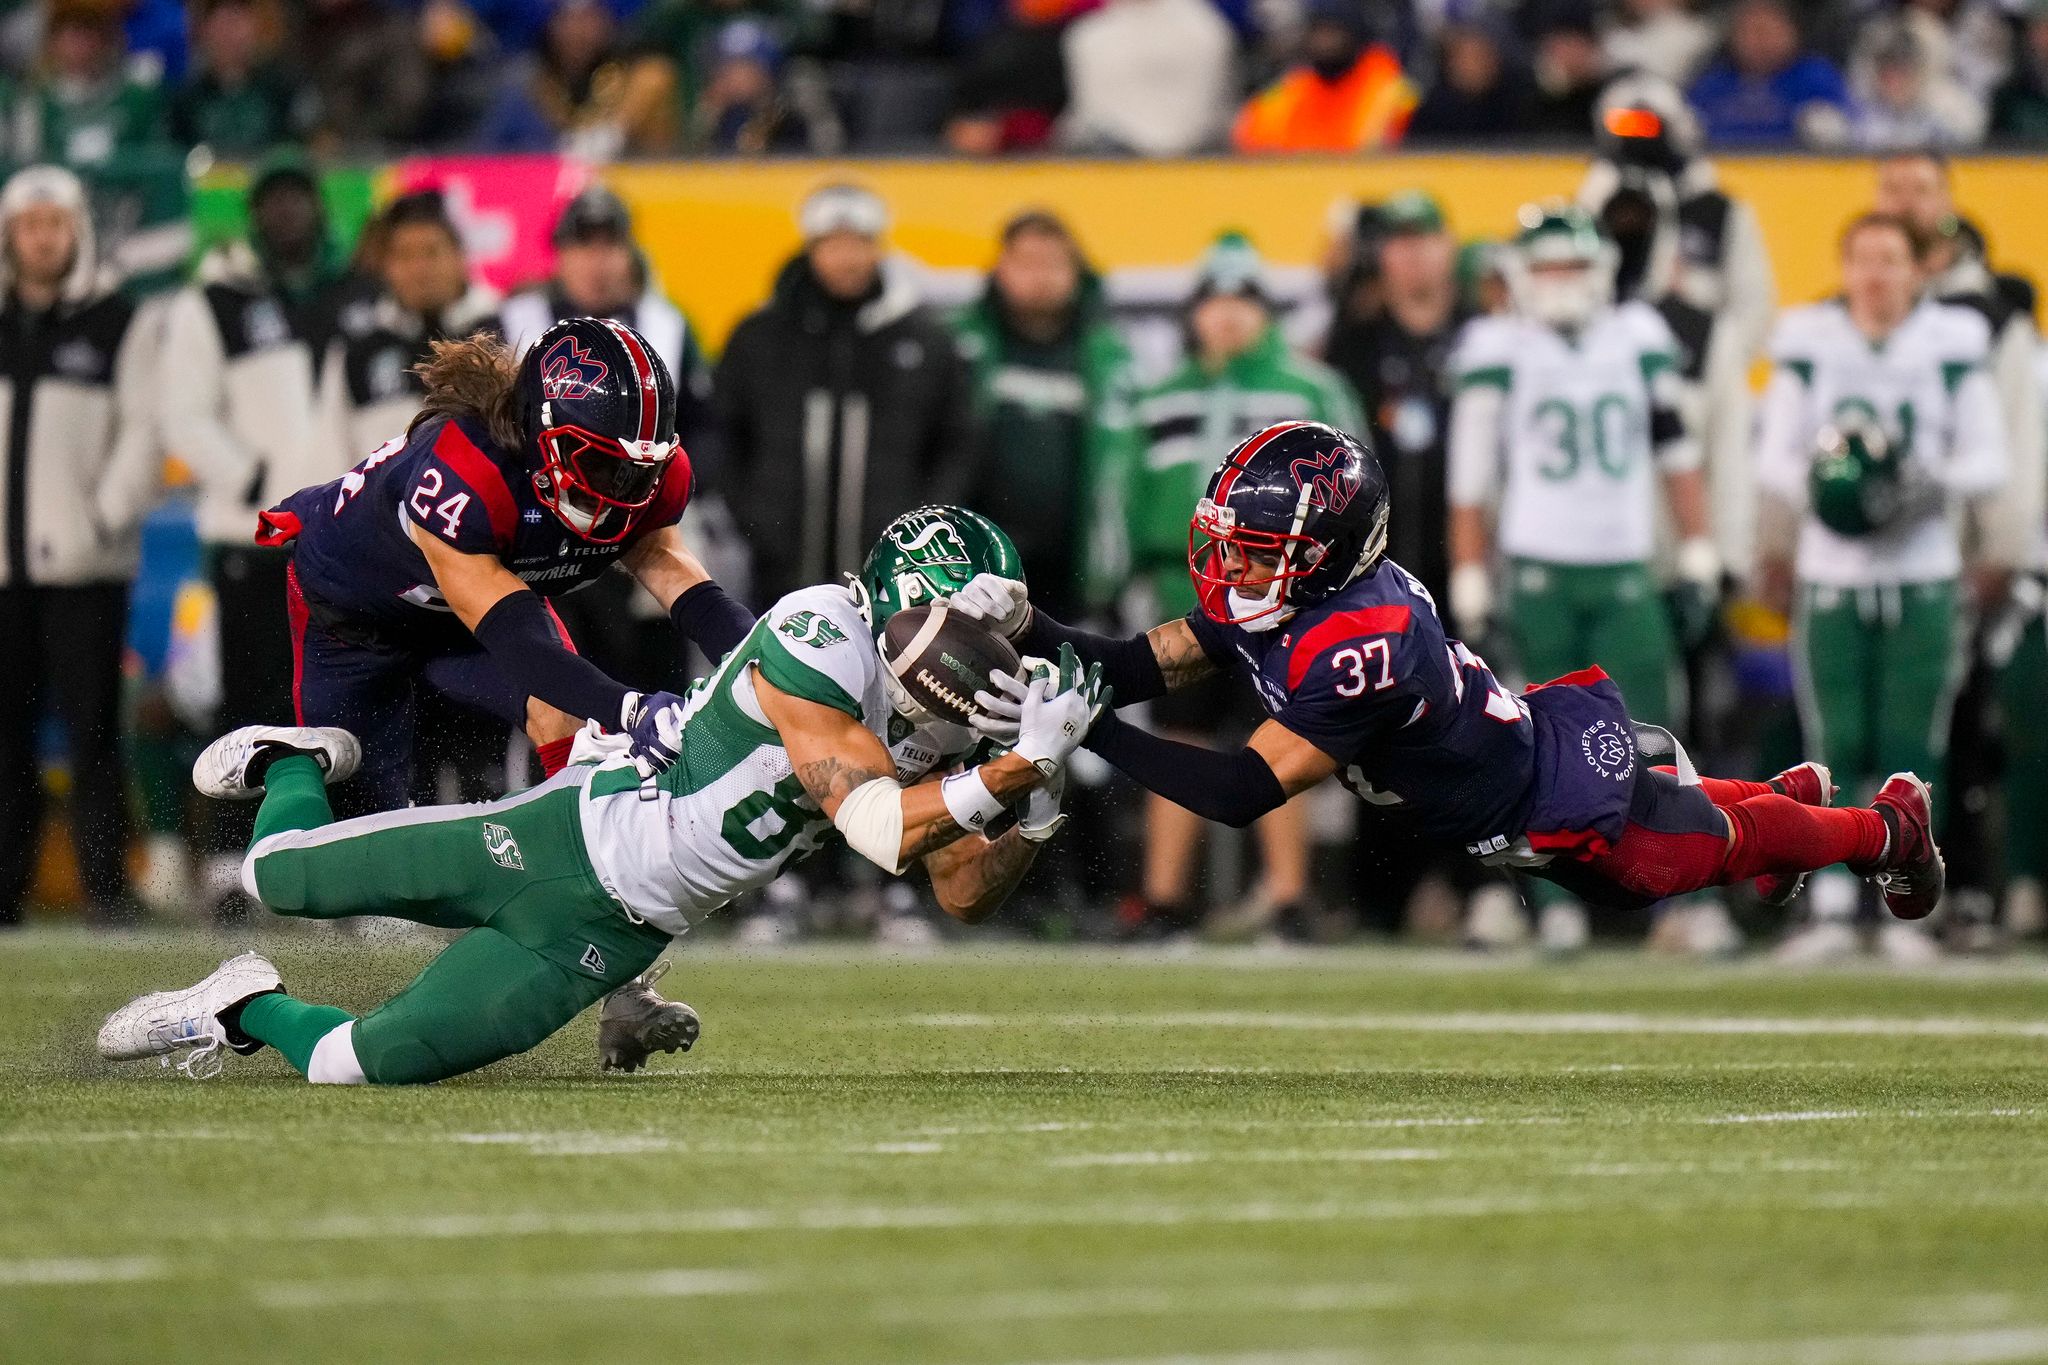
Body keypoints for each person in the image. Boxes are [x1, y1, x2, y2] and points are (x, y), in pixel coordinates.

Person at [95, 514, 1099, 1083]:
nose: (987, 655)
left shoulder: (945, 717)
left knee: (361, 1066)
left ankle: (239, 1005)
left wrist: (1032, 799)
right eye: (972, 626)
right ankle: (295, 763)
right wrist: (1008, 772)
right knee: (280, 873)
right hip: (563, 840)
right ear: (908, 603)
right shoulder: (821, 633)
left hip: (619, 925)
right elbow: (876, 827)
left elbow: (959, 886)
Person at [949, 419, 1949, 951]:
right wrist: (1026, 622)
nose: (1231, 568)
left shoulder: (1353, 641)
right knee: (1695, 825)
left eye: (1255, 552)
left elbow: (1240, 791)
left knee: (1674, 858)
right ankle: (1785, 812)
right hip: (1514, 758)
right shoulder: (1292, 598)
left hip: (1543, 801)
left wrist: (1090, 735)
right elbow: (1130, 664)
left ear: (1322, 555)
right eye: (1228, 542)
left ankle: (1882, 830)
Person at [252, 317, 757, 818]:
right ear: (540, 432)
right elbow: (523, 645)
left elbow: (690, 591)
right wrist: (632, 709)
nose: (619, 491)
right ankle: (283, 769)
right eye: (601, 466)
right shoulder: (467, 474)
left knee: (567, 716)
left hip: (463, 608)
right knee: (354, 807)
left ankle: (580, 873)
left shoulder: (645, 482)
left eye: (637, 472)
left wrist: (765, 655)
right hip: (354, 615)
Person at [1445, 203, 1725, 954]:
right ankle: (1549, 905)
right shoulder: (1497, 345)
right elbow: (1469, 479)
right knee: (1533, 749)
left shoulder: (1637, 339)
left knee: (1659, 737)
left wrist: (1698, 549)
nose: (1561, 283)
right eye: (1547, 268)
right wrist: (1470, 575)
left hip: (1626, 565)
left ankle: (1676, 903)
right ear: (1518, 277)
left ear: (1602, 271)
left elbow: (1677, 454)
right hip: (1537, 570)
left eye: (1574, 266)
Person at [1755, 213, 2007, 964]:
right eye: (1863, 259)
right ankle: (1832, 906)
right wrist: (1840, 492)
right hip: (1833, 573)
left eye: (1891, 258)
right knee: (1836, 742)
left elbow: (1989, 459)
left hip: (1923, 570)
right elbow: (1774, 458)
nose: (1876, 274)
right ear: (1846, 267)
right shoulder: (1811, 339)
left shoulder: (1950, 341)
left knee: (1909, 742)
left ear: (1916, 269)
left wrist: (1917, 486)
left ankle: (1906, 907)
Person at [1122, 233, 1363, 939]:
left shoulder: (1309, 388)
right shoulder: (1161, 395)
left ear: (1266, 311)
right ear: (1194, 312)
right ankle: (1164, 899)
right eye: (1215, 301)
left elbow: (1352, 496)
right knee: (1182, 734)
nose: (1227, 317)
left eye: (1243, 301)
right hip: (1183, 581)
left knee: (1284, 736)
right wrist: (1126, 571)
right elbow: (1127, 492)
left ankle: (1288, 895)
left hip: (1283, 587)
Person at [161, 154, 359, 920]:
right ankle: (224, 860)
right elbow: (185, 413)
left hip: (336, 537)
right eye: (272, 203)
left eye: (298, 200)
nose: (287, 216)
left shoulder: (353, 295)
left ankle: (330, 857)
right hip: (248, 533)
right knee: (245, 697)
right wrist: (256, 483)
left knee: (328, 700)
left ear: (318, 209)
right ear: (253, 216)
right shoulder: (214, 301)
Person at [0, 166, 163, 928]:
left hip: (85, 569)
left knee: (94, 733)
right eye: (28, 225)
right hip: (4, 572)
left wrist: (102, 517)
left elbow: (143, 427)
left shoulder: (114, 320)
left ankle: (106, 889)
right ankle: (7, 889)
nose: (41, 238)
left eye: (54, 223)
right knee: (6, 740)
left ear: (76, 230)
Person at [501, 186, 728, 700]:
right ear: (559, 255)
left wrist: (681, 495)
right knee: (551, 692)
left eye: (610, 246)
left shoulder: (668, 324)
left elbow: (704, 426)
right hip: (544, 530)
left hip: (640, 529)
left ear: (630, 253)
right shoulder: (514, 323)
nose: (597, 263)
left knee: (657, 682)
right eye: (584, 247)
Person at [714, 183, 977, 607]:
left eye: (860, 243)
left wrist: (925, 525)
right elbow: (724, 432)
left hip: (895, 578)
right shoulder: (759, 337)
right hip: (779, 573)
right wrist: (754, 519)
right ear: (811, 248)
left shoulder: (925, 341)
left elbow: (956, 443)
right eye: (834, 244)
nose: (847, 259)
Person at [1579, 75, 1778, 575]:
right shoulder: (1597, 201)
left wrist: (1712, 361)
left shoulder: (1719, 211)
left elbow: (1755, 303)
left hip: (1696, 370)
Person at [952, 210, 1137, 624]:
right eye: (1026, 262)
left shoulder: (1107, 356)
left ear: (1076, 272)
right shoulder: (959, 346)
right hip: (972, 567)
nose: (1041, 276)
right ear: (1000, 269)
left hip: (1072, 573)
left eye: (1054, 263)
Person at [1323, 191, 1466, 614]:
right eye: (1400, 242)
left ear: (1449, 246)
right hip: (1382, 560)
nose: (1414, 254)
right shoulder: (1353, 345)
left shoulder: (1482, 336)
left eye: (1425, 238)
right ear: (1380, 255)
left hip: (1470, 552)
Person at [322, 190, 501, 464]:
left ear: (459, 256)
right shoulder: (357, 351)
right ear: (386, 267)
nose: (420, 269)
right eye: (404, 255)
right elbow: (332, 456)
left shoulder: (504, 332)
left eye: (432, 251)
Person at [1230, 0, 1417, 154]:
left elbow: (1375, 148)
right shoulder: (1297, 85)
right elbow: (1251, 135)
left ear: (1354, 35)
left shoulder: (1387, 86)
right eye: (1318, 33)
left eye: (1332, 33)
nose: (1324, 42)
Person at [1057, 0, 1236, 156]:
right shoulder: (1088, 36)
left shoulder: (1205, 29)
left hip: (1196, 155)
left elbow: (1208, 111)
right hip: (1108, 154)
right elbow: (1090, 112)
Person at [11, 0, 170, 171]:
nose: (80, 46)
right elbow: (25, 169)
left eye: (88, 33)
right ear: (53, 43)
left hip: (126, 194)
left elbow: (157, 162)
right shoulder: (36, 104)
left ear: (107, 40)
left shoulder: (138, 98)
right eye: (71, 34)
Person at [1686, 0, 1850, 148]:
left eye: (1766, 31)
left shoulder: (1815, 77)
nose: (1758, 42)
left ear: (1792, 32)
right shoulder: (1713, 82)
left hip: (1796, 172)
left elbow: (1851, 127)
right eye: (1748, 32)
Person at [168, 0, 314, 157]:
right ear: (205, 31)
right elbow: (172, 152)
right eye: (223, 25)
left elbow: (303, 144)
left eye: (238, 23)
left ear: (255, 28)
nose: (230, 36)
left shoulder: (281, 88)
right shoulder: (187, 97)